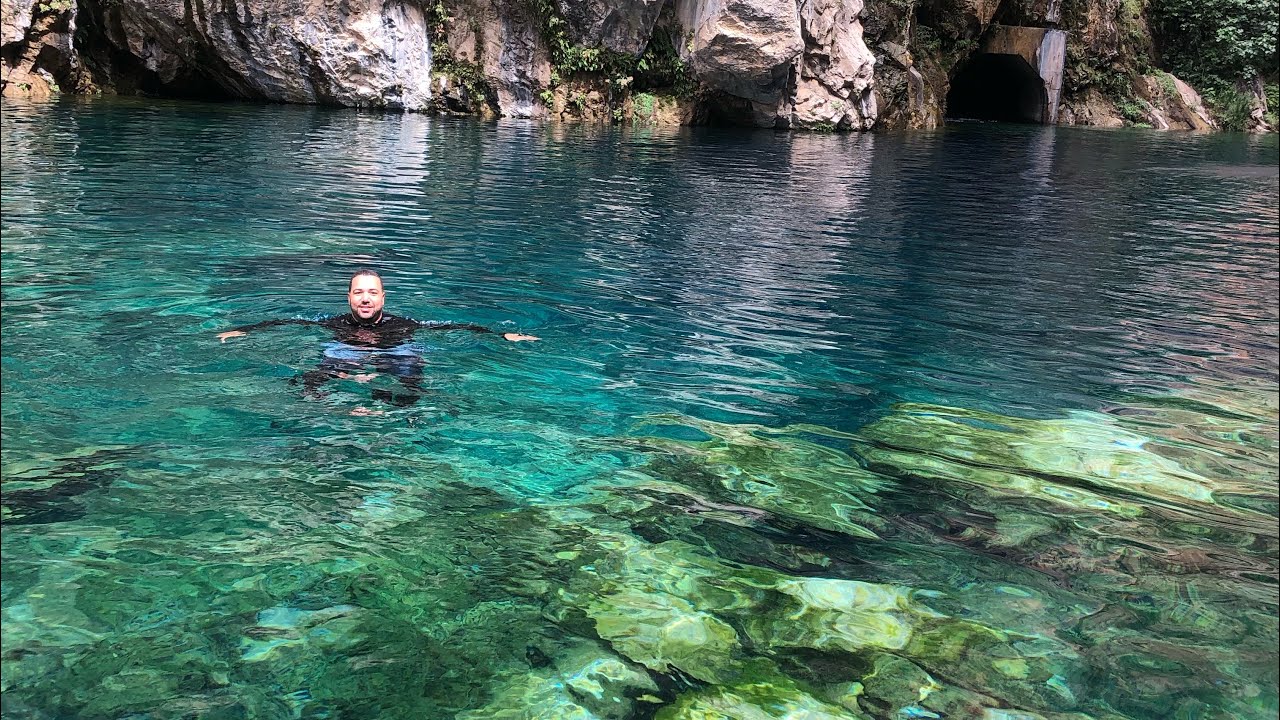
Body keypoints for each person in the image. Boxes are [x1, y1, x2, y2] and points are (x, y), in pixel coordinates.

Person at [217, 269, 538, 407]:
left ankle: (397, 410)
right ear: (349, 298)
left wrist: (502, 335)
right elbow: (289, 321)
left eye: (372, 293)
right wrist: (245, 330)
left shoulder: (405, 324)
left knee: (412, 375)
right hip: (346, 351)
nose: (365, 299)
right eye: (359, 292)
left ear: (383, 297)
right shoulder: (334, 323)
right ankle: (319, 410)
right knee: (311, 378)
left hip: (396, 350)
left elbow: (451, 326)